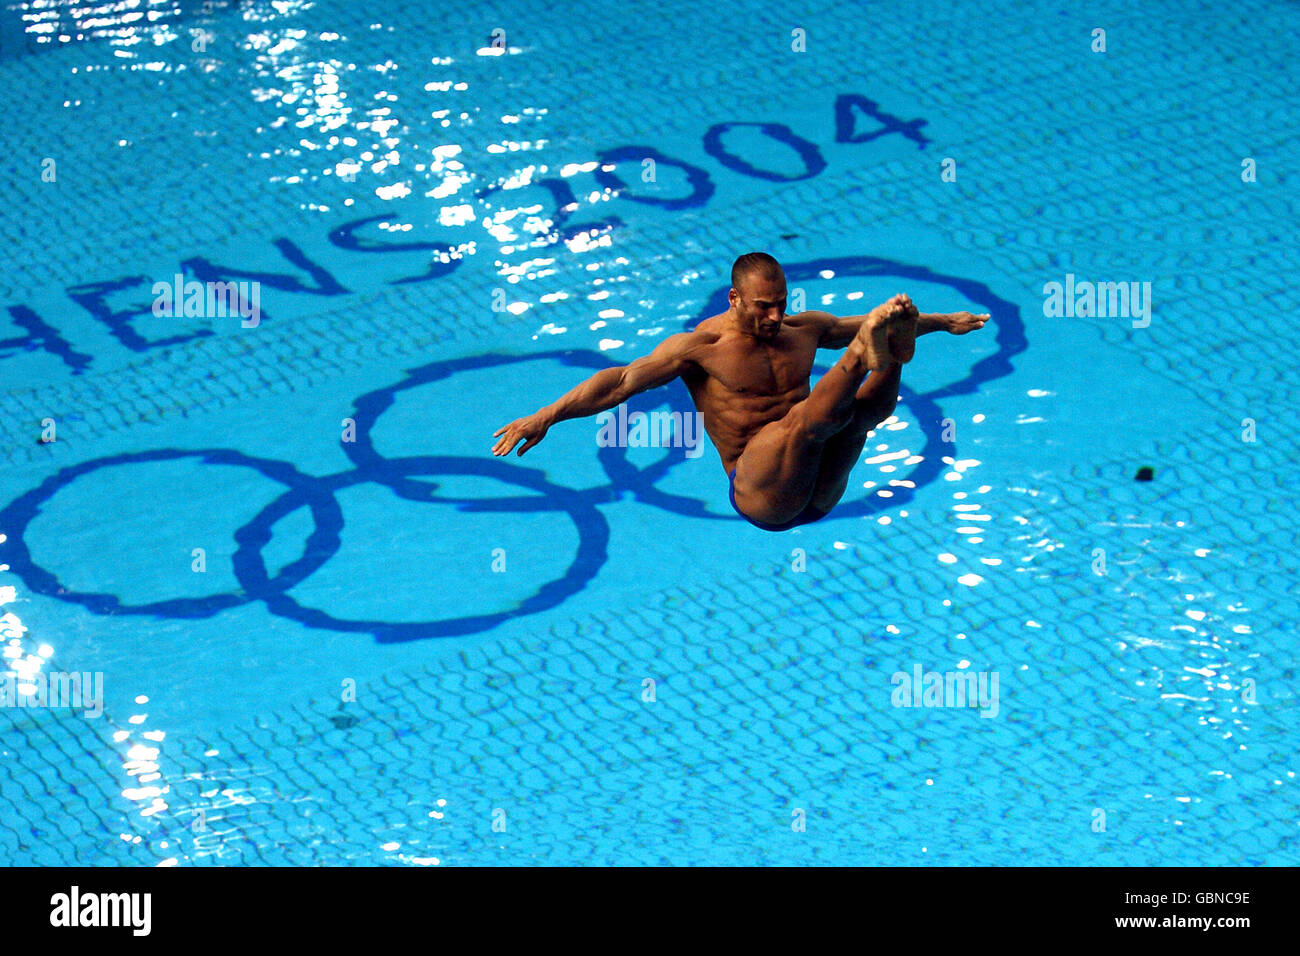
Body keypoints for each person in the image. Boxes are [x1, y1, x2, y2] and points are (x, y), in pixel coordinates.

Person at [493, 252, 989, 531]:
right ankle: (863, 355)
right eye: (762, 307)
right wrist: (547, 415)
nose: (775, 317)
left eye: (781, 304)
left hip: (817, 494)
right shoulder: (703, 347)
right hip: (761, 494)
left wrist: (942, 322)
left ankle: (891, 353)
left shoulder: (802, 330)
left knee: (863, 416)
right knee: (802, 424)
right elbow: (620, 381)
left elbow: (858, 322)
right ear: (734, 298)